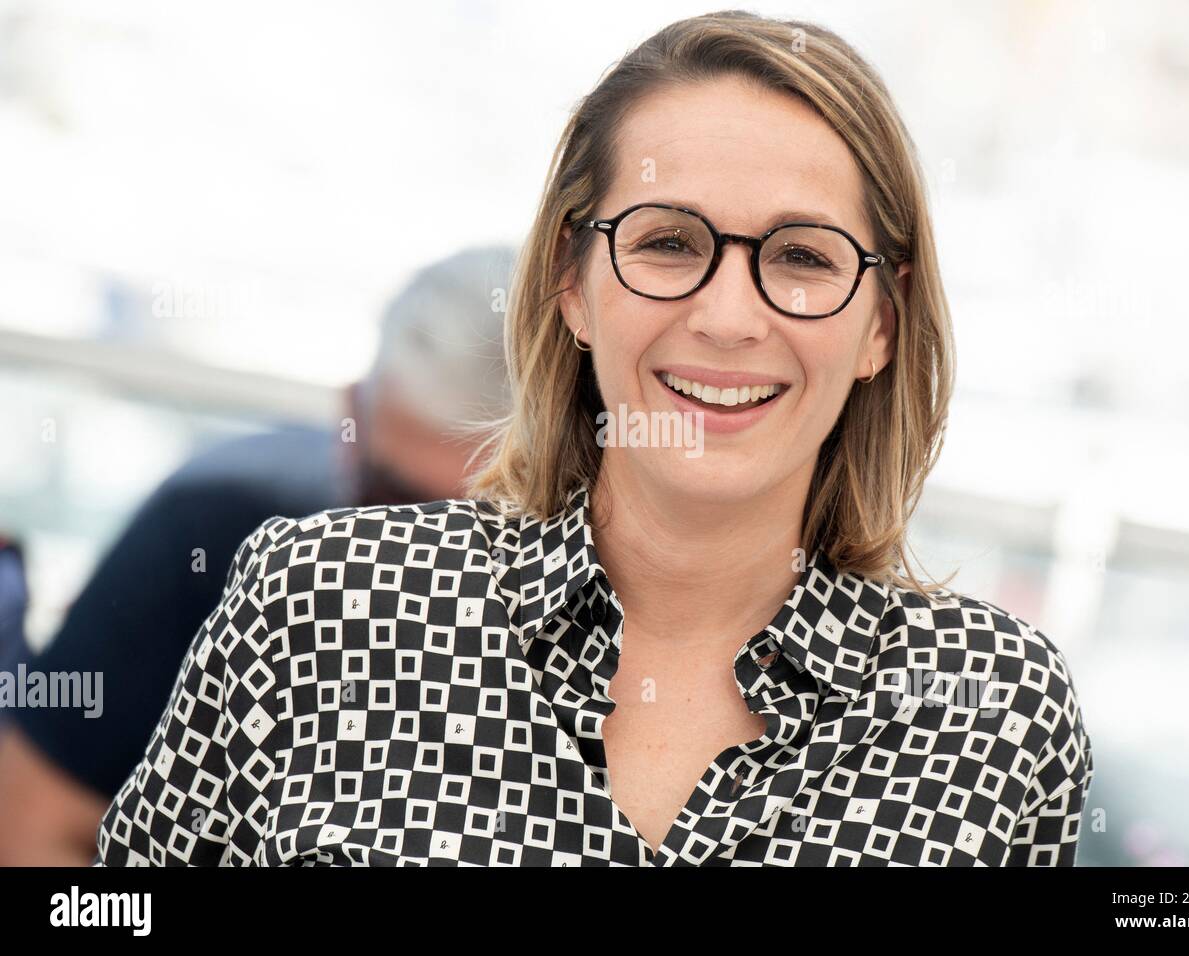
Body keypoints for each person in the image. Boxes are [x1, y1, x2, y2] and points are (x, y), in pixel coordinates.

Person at [93, 11, 1093, 867]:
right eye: (669, 242)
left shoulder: (994, 713)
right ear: (571, 281)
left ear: (882, 318)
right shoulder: (319, 600)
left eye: (800, 255)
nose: (729, 316)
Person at [0, 245, 514, 865]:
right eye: (390, 504)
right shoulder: (219, 528)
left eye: (491, 521)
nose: (426, 552)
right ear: (349, 424)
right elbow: (35, 825)